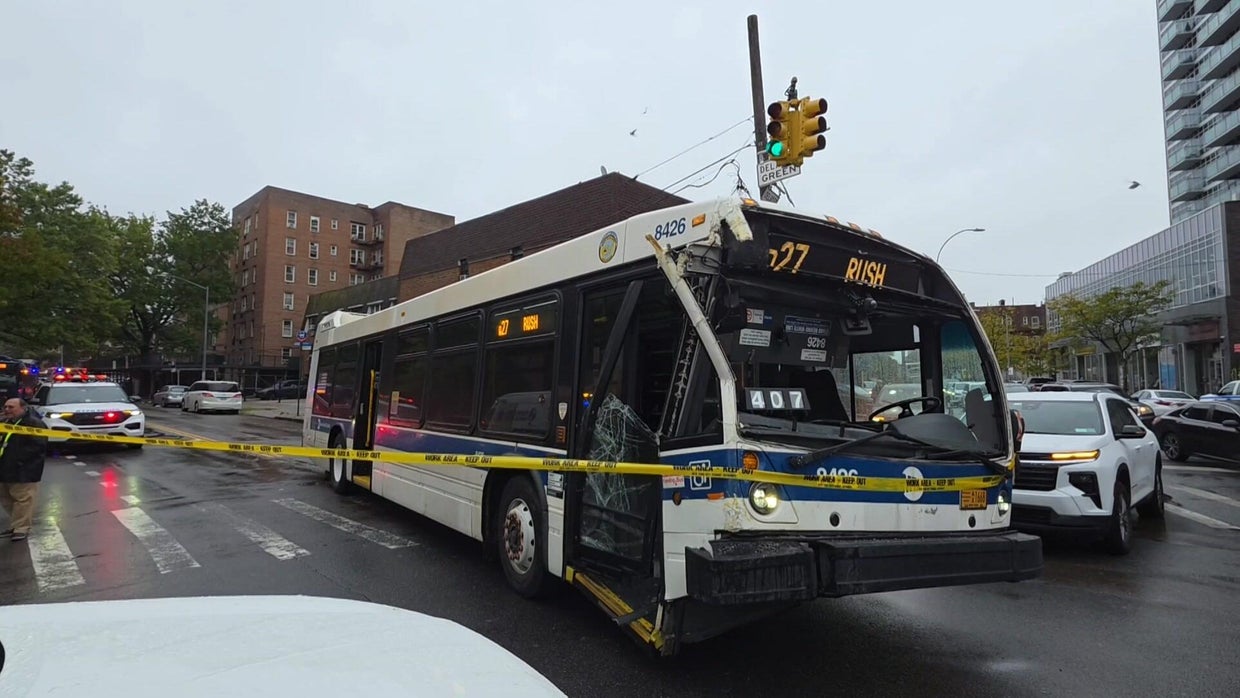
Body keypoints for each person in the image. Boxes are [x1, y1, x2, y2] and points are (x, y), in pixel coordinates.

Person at [0, 397, 47, 542]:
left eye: (11, 407)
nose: (7, 410)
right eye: (6, 407)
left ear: (23, 408)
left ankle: (21, 528)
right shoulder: (6, 423)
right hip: (4, 469)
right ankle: (16, 524)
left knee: (23, 499)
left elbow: (37, 446)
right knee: (6, 499)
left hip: (24, 470)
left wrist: (18, 460)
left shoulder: (34, 424)